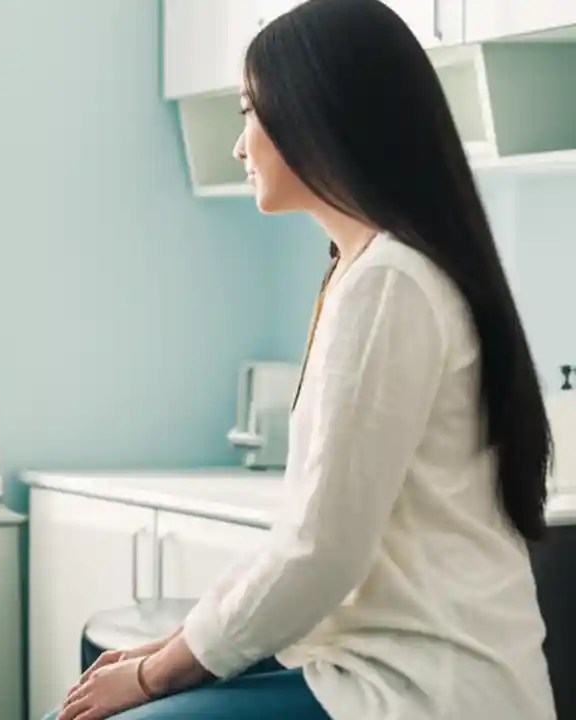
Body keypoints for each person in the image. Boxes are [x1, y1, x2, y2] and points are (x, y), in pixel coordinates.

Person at [56, 0, 555, 718]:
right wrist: (172, 646)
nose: (239, 146)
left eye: (248, 113)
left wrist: (156, 675)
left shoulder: (391, 282)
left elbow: (321, 553)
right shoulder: (368, 273)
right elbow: (306, 541)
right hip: (369, 664)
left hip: (424, 687)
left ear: (316, 115)